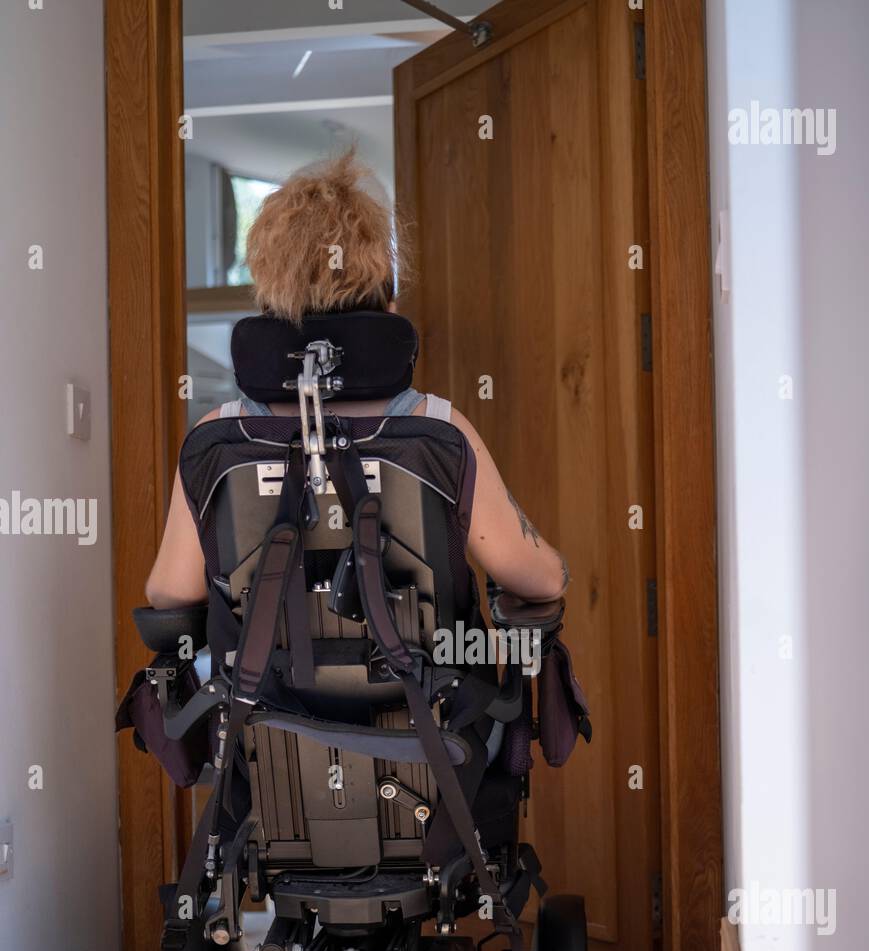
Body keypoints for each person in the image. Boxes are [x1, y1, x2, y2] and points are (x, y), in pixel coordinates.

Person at [147, 151, 568, 611]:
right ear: (387, 297)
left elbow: (171, 594)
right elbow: (540, 581)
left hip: (260, 684)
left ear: (270, 292)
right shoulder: (437, 429)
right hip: (428, 682)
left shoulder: (217, 436)